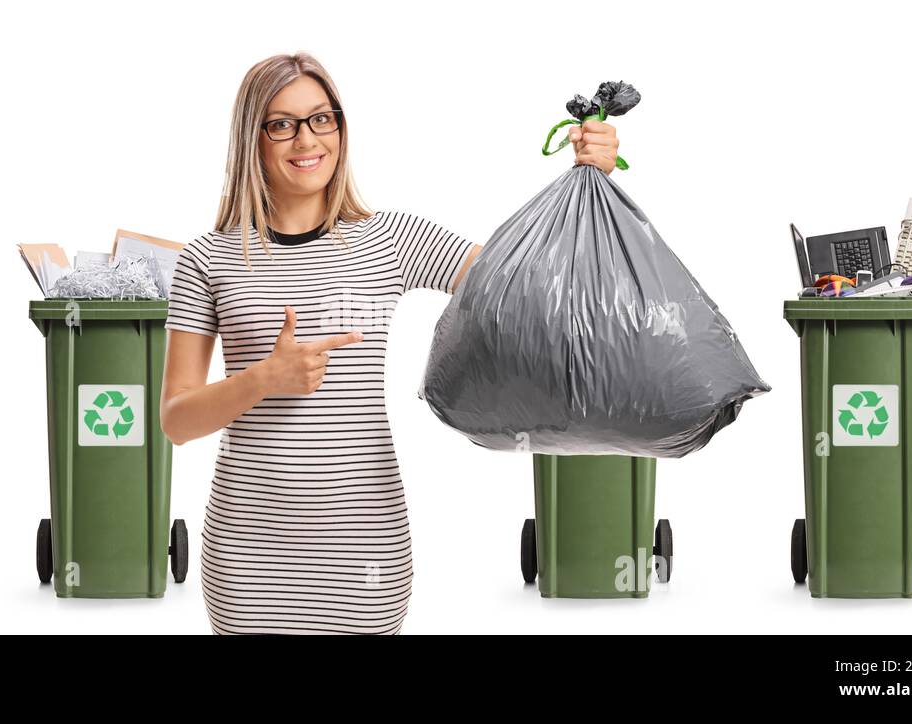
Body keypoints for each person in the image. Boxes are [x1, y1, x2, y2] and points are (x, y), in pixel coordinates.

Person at [160, 52, 621, 634]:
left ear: (341, 127)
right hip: (249, 560)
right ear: (252, 139)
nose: (307, 139)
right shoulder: (209, 258)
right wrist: (262, 380)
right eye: (282, 123)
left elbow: (527, 281)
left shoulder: (389, 240)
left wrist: (589, 184)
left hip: (365, 552)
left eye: (322, 118)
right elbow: (176, 420)